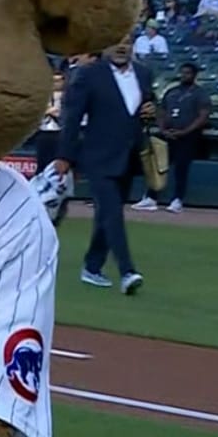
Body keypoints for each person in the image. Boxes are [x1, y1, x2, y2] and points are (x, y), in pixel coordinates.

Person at [56, 39, 156, 294]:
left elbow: (148, 106)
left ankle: (91, 267)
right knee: (113, 213)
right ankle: (127, 271)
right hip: (97, 156)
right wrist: (65, 155)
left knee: (106, 216)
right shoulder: (89, 74)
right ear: (106, 46)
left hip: (129, 156)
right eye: (115, 42)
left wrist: (151, 110)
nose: (122, 47)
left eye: (127, 42)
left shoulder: (144, 73)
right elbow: (72, 117)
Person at [155, 61, 211, 212]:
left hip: (187, 137)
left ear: (194, 75)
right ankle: (150, 197)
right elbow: (161, 110)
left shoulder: (200, 93)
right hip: (168, 134)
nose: (184, 75)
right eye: (182, 72)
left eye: (188, 73)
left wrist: (185, 131)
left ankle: (177, 200)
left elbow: (203, 116)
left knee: (181, 168)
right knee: (158, 165)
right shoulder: (171, 91)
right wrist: (162, 129)